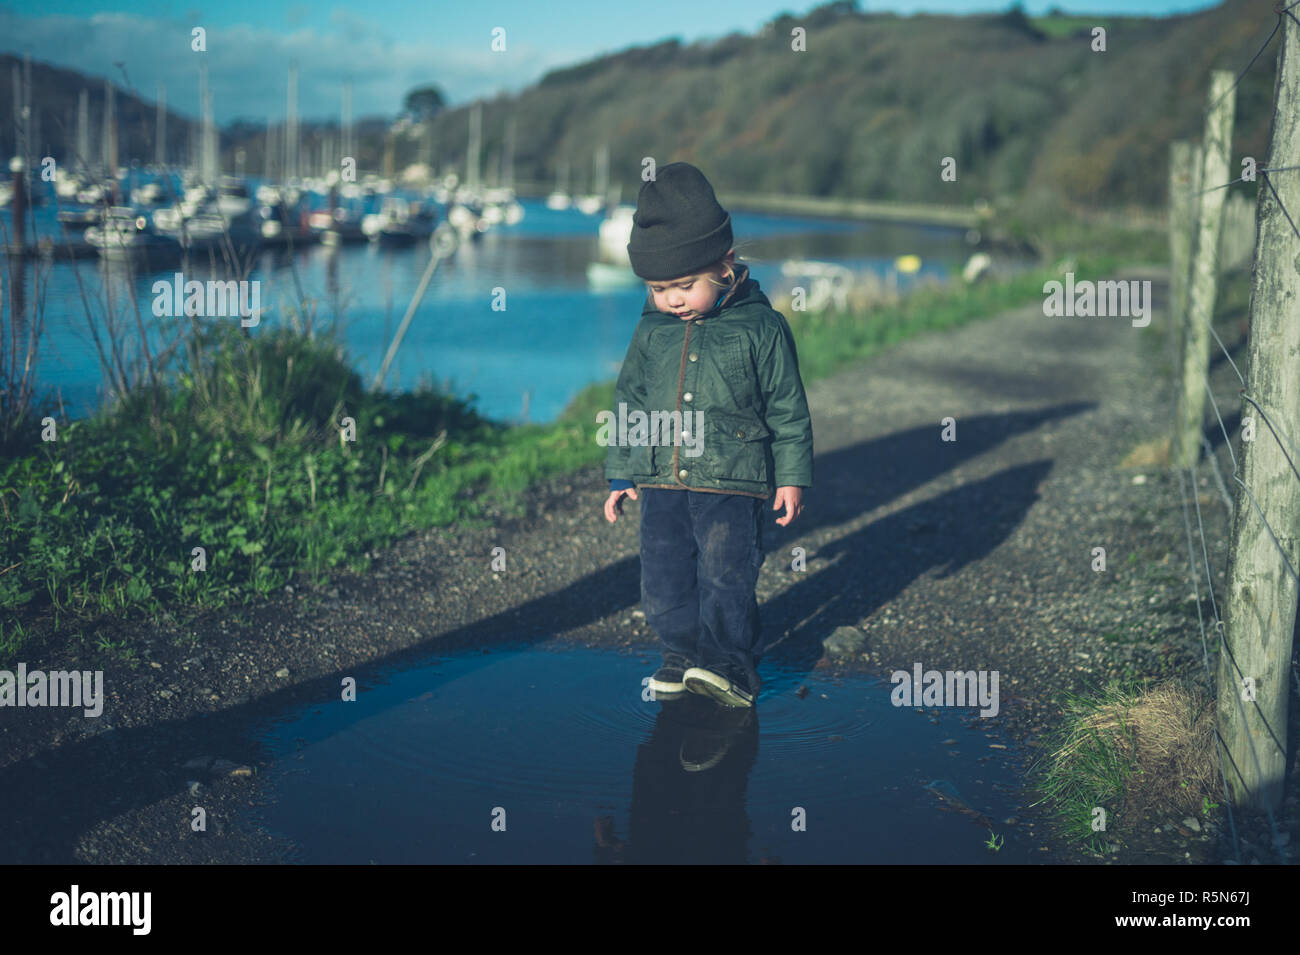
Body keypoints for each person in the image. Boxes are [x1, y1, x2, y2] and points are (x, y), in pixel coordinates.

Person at [603, 162, 814, 708]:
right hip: (661, 480)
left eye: (683, 286)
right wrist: (621, 471)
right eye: (657, 288)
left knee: (727, 574)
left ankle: (731, 666)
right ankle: (679, 655)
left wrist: (791, 478)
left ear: (724, 264)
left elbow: (788, 407)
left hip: (733, 479)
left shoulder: (761, 326)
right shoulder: (651, 331)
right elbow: (630, 399)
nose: (671, 299)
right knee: (664, 575)